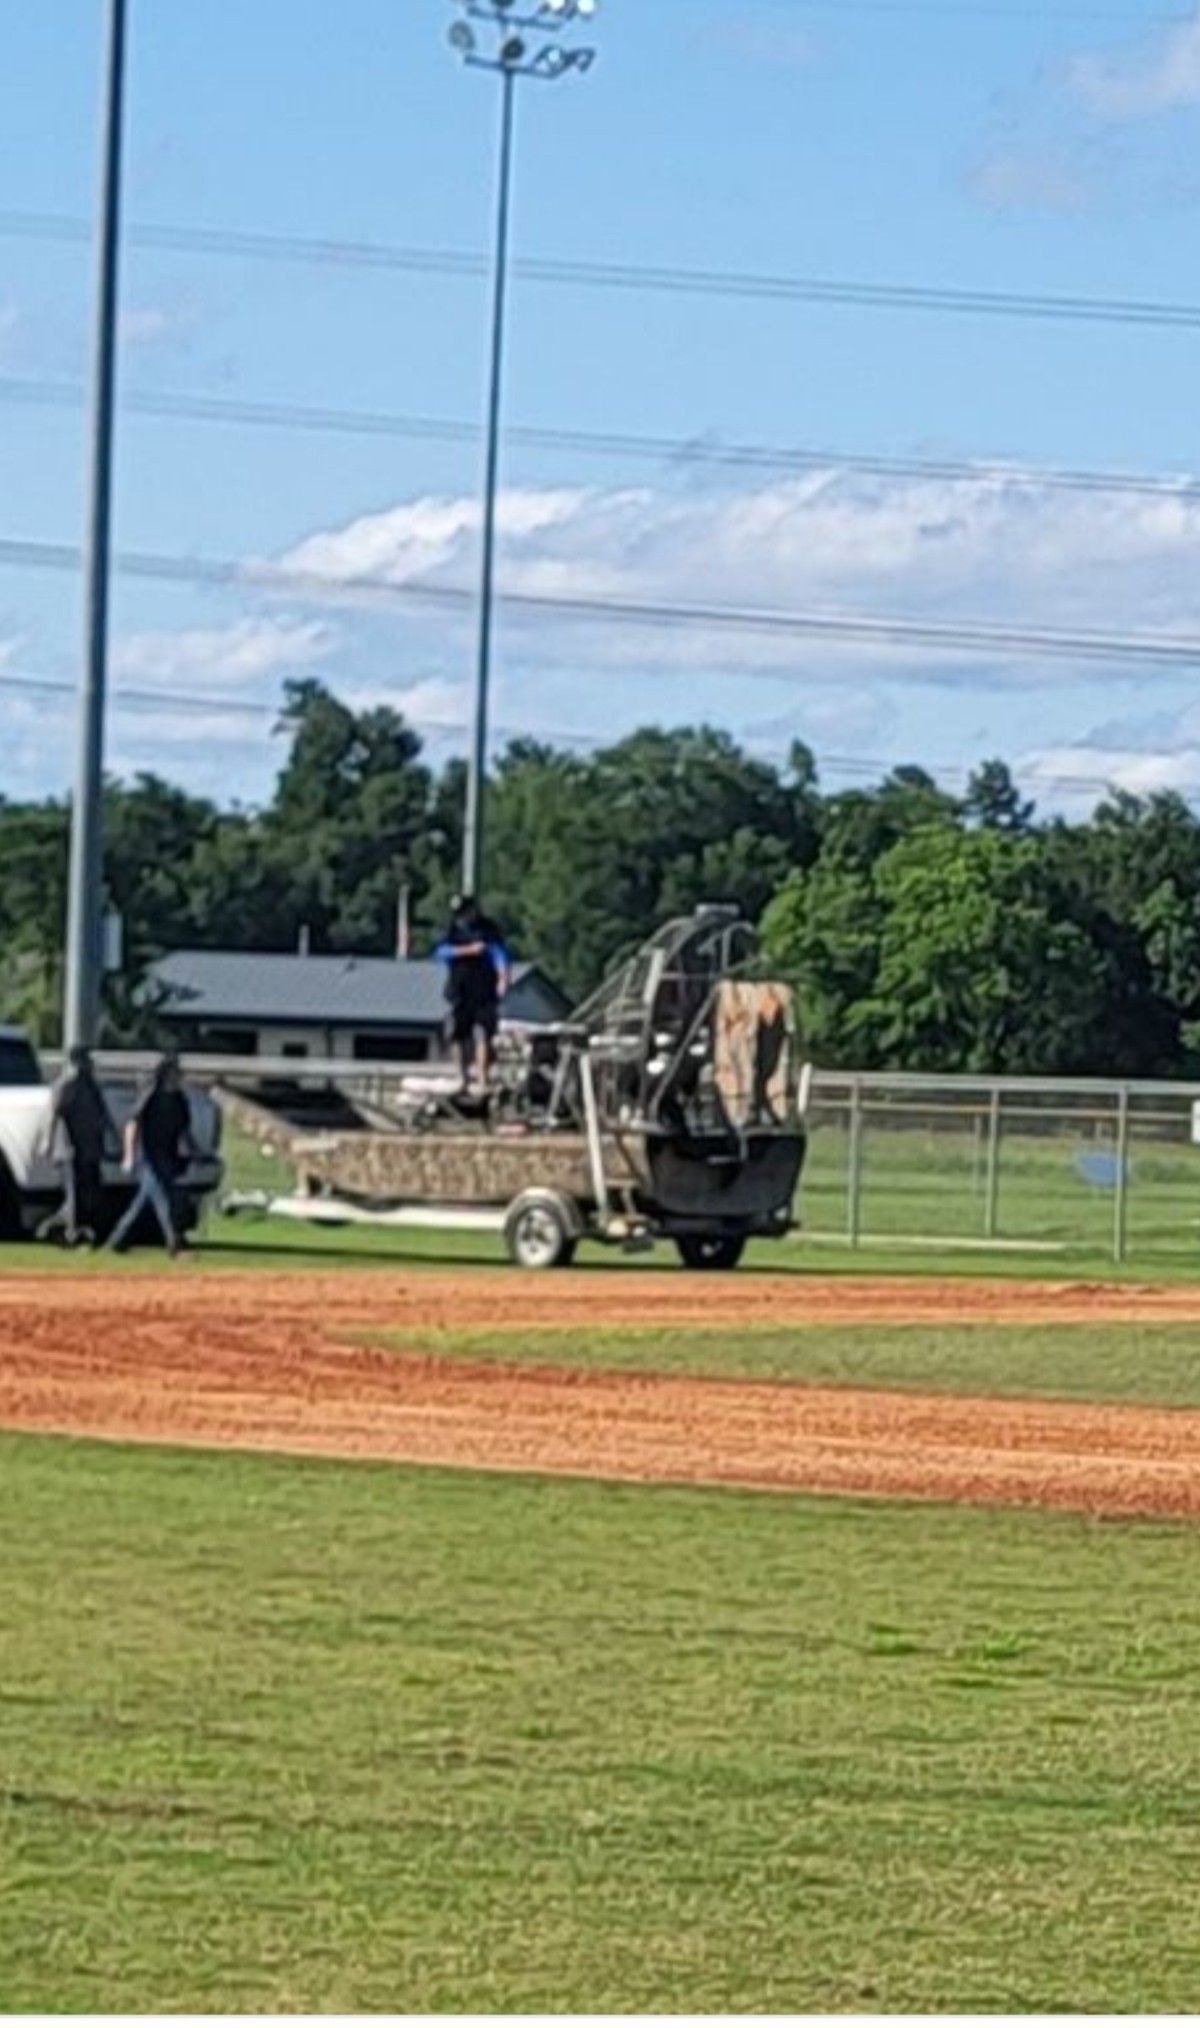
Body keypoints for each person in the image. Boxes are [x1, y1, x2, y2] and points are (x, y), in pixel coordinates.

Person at [107, 1055, 193, 1256]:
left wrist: (191, 1149)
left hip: (169, 1157)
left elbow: (184, 1129)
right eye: (174, 1070)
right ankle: (174, 1245)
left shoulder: (179, 1099)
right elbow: (132, 1124)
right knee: (164, 1199)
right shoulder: (151, 1096)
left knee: (143, 1202)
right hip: (148, 1158)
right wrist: (128, 1155)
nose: (179, 1074)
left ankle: (117, 1241)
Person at [41, 1046, 117, 1248]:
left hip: (91, 1148)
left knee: (90, 1192)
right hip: (70, 1148)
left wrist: (112, 1136)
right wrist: (48, 1142)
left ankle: (58, 1227)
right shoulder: (65, 1086)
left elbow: (103, 1115)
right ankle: (71, 1233)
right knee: (74, 1192)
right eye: (85, 1060)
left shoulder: (92, 1086)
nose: (88, 1065)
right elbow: (54, 1116)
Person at [435, 895, 511, 1089]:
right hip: (460, 988)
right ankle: (462, 1078)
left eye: (465, 912)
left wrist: (503, 977)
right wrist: (468, 950)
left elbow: (499, 953)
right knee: (458, 1035)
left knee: (483, 1034)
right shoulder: (451, 929)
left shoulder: (488, 929)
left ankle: (482, 1079)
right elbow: (441, 952)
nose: (462, 917)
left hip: (484, 989)